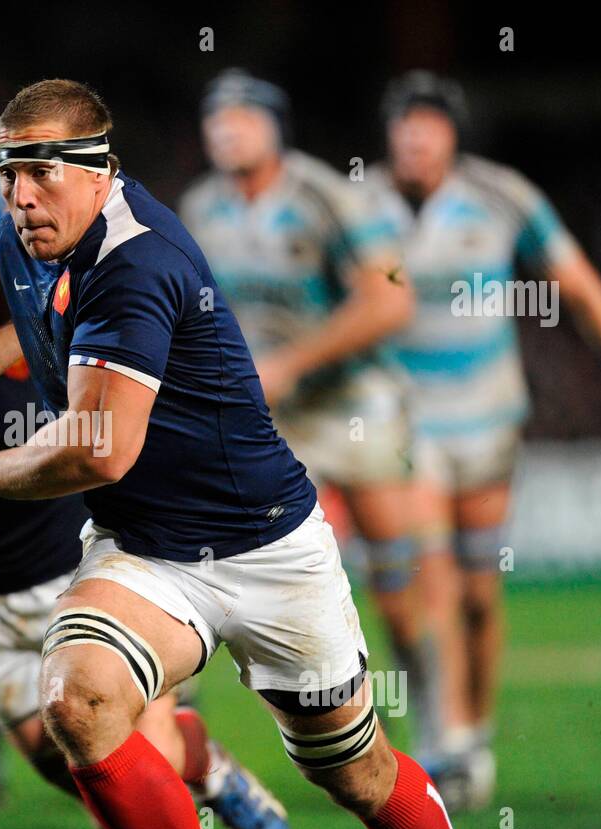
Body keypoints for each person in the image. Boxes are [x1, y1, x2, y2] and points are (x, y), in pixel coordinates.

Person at [0, 79, 460, 829]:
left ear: (98, 168)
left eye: (41, 170)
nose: (20, 194)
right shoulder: (32, 228)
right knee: (76, 700)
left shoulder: (136, 261)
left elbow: (98, 448)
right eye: (10, 173)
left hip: (266, 547)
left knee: (356, 774)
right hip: (144, 548)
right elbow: (11, 302)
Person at [0, 134, 293, 829]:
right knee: (67, 770)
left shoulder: (62, 305)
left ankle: (213, 782)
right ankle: (213, 777)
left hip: (72, 573)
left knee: (126, 762)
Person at [365, 71, 601, 808]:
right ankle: (440, 738)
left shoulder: (503, 197)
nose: (416, 136)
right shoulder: (356, 204)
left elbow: (579, 287)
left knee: (481, 595)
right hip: (402, 421)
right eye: (404, 123)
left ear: (454, 135)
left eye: (430, 122)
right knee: (432, 580)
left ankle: (473, 731)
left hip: (488, 422)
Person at [178, 69, 440, 758]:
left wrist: (293, 363)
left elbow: (392, 298)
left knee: (392, 581)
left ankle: (435, 720)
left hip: (351, 403)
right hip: (262, 414)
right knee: (204, 551)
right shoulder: (202, 207)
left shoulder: (327, 194)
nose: (227, 129)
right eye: (215, 119)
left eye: (242, 116)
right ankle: (183, 722)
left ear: (274, 126)